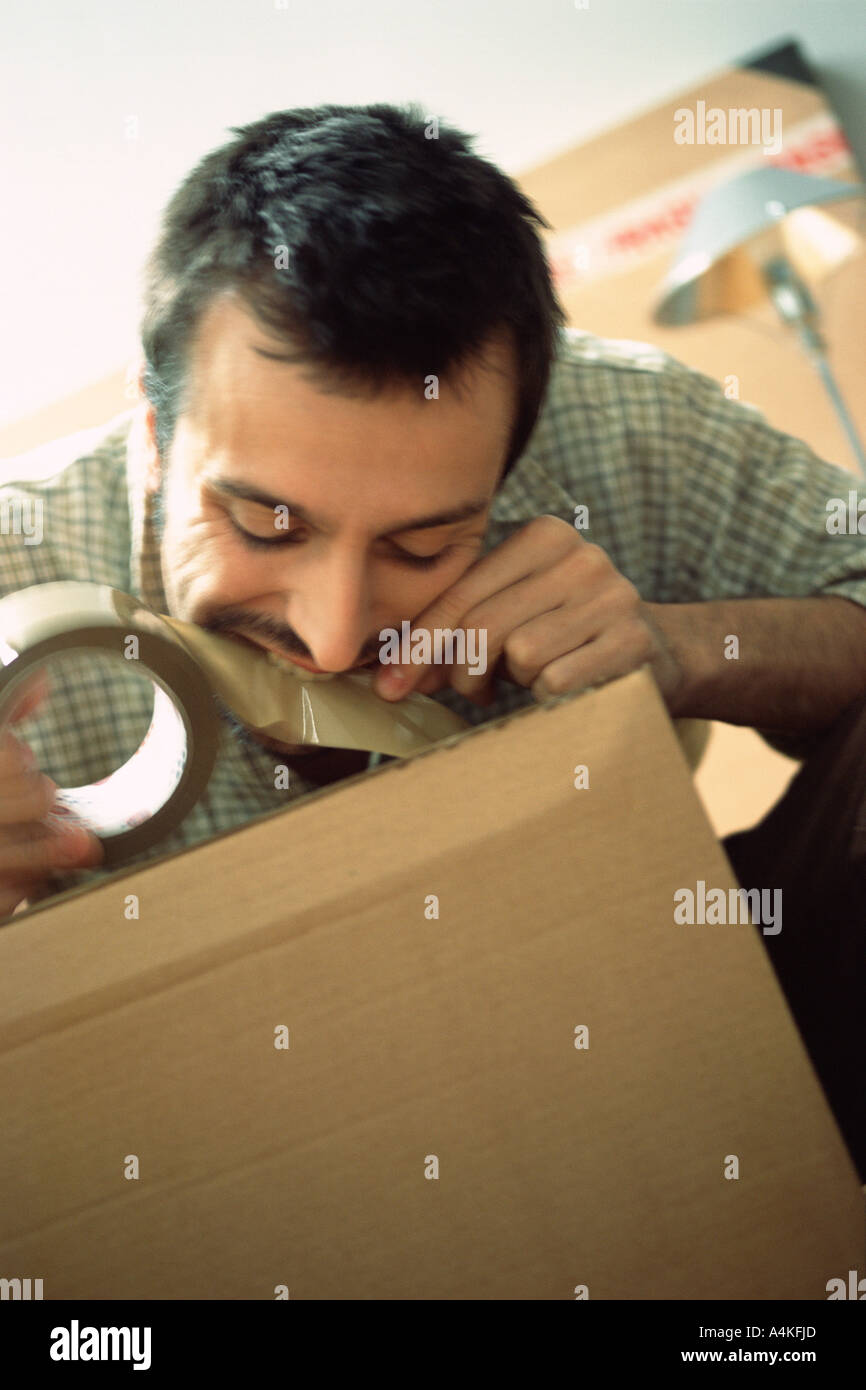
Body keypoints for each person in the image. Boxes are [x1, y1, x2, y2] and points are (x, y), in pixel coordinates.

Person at [1, 102, 865, 1175]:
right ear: (150, 429)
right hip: (210, 1138)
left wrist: (680, 650)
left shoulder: (629, 428)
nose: (329, 636)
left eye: (424, 543)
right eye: (265, 522)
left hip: (638, 1017)